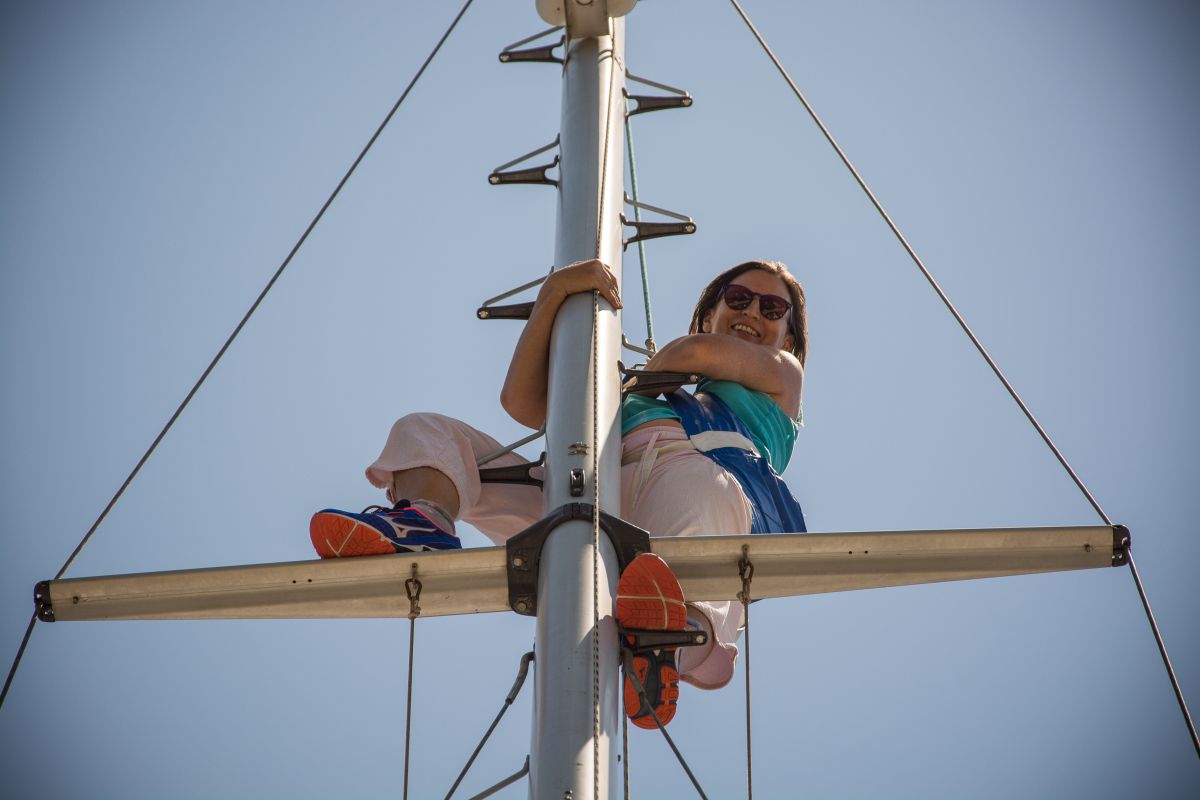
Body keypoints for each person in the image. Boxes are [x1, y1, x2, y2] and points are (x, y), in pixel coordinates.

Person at [310, 258, 807, 728]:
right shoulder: (651, 388)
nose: (751, 313)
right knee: (427, 430)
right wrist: (554, 296)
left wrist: (615, 384)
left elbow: (694, 353)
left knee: (702, 491)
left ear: (789, 335)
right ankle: (423, 520)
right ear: (711, 309)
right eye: (738, 298)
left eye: (772, 309)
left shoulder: (782, 375)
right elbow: (523, 404)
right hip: (581, 489)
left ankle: (670, 645)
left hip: (682, 472)